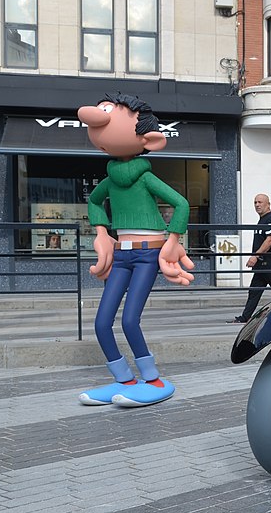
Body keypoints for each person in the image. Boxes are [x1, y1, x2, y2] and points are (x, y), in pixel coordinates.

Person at [76, 93, 194, 407]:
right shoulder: (111, 180)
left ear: (148, 139)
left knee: (130, 320)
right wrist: (102, 233)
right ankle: (124, 379)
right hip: (123, 255)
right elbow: (93, 201)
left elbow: (181, 204)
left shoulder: (144, 176)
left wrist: (171, 241)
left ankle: (152, 379)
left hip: (148, 254)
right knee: (102, 322)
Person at [229, 193, 271, 323]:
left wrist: (255, 256)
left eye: (260, 202)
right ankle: (245, 318)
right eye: (255, 202)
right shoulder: (262, 220)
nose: (257, 205)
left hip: (270, 266)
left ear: (268, 204)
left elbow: (270, 241)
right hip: (263, 266)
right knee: (254, 292)